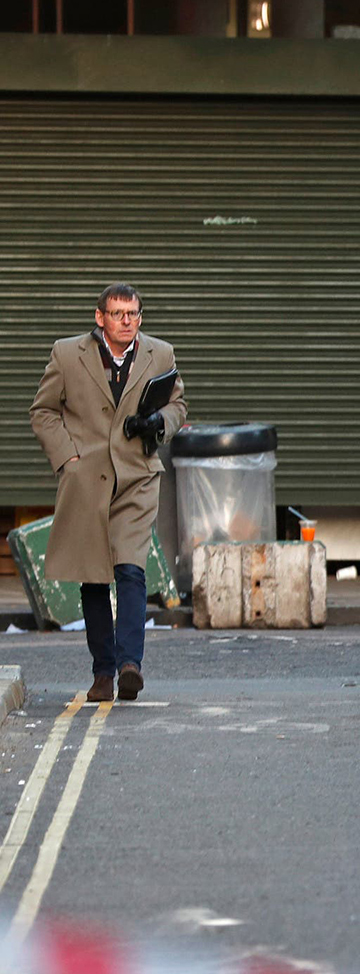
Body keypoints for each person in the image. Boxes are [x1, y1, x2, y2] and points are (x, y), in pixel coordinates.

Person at [31, 284, 185, 703]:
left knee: (131, 568)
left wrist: (157, 423)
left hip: (137, 474)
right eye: (117, 314)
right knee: (94, 576)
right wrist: (69, 459)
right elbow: (43, 412)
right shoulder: (67, 353)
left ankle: (129, 665)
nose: (126, 322)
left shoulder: (160, 353)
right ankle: (102, 672)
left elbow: (178, 405)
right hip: (87, 480)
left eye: (133, 314)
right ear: (100, 317)